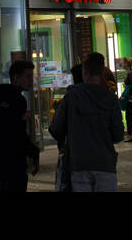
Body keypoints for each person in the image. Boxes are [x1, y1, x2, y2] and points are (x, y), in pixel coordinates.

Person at [49, 52, 123, 192]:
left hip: (79, 164)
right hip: (105, 164)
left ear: (85, 71)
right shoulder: (111, 99)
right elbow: (118, 135)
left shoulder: (71, 97)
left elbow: (56, 129)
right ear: (102, 72)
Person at [0, 59, 39, 192]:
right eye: (28, 76)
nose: (31, 80)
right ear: (16, 77)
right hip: (13, 162)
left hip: (0, 163)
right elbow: (17, 133)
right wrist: (33, 152)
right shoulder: (18, 101)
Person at [53, 64, 84, 192]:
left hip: (73, 156)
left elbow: (55, 128)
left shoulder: (68, 99)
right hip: (101, 162)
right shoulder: (105, 96)